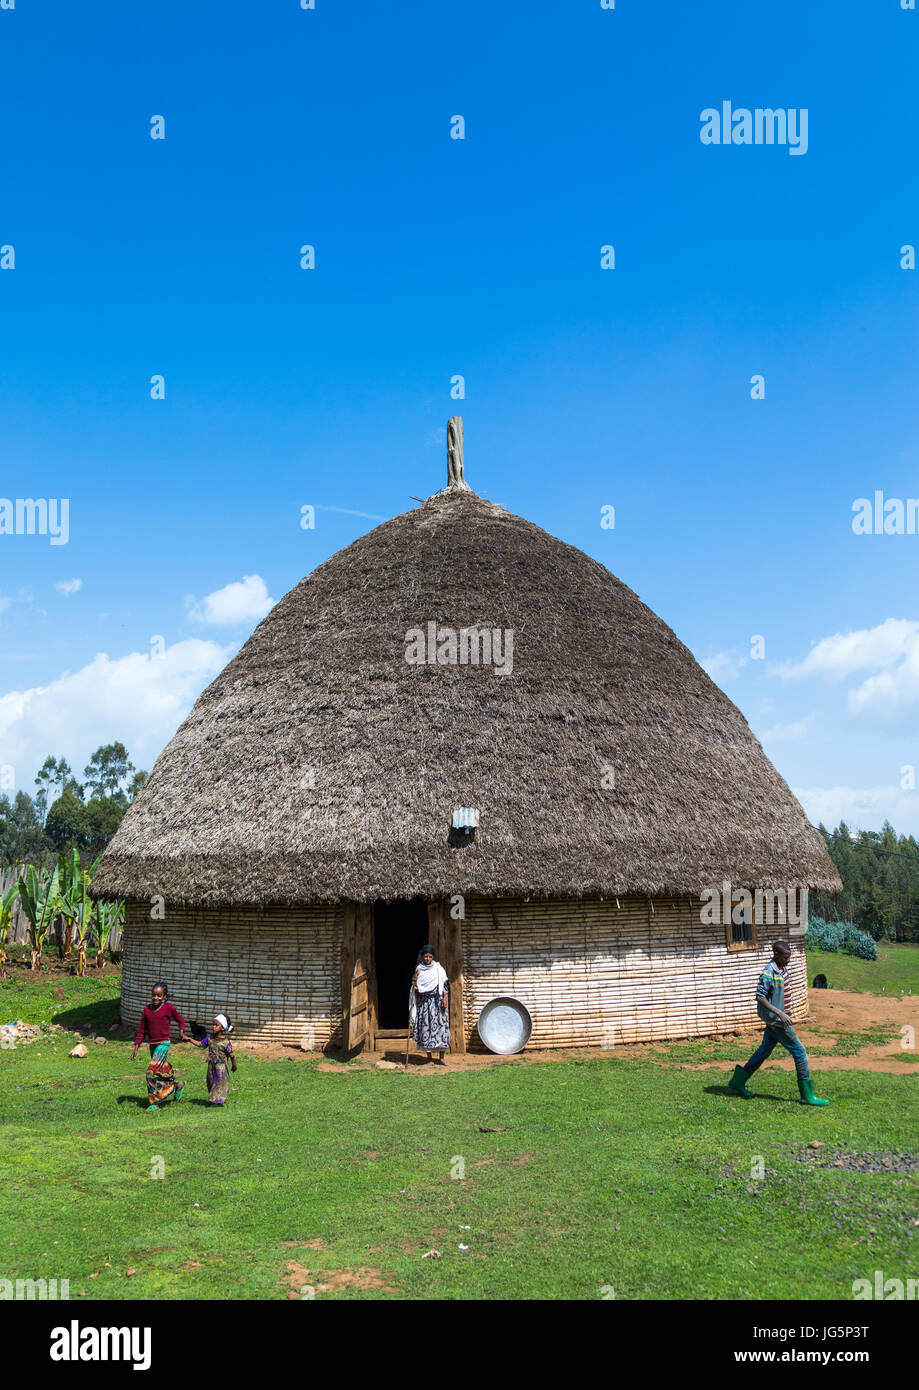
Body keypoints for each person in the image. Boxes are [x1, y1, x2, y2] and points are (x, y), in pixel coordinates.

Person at [728, 939, 828, 1106]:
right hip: (777, 1021)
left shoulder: (782, 968)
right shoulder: (768, 972)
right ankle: (807, 1095)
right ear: (776, 955)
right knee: (800, 1052)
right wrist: (780, 1013)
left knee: (764, 1051)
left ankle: (738, 1082)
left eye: (789, 957)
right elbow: (760, 996)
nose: (788, 960)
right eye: (785, 957)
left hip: (779, 1019)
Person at [131, 981, 188, 1111]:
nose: (156, 998)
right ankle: (177, 1085)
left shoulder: (168, 1008)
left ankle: (154, 1103)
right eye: (154, 995)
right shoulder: (146, 1010)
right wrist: (136, 1047)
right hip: (153, 1044)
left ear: (164, 997)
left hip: (163, 1043)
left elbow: (180, 1020)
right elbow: (142, 1030)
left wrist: (181, 1031)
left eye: (159, 995)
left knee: (151, 1072)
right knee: (162, 1072)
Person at [410, 945, 450, 1064]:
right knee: (425, 1029)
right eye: (426, 957)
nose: (428, 959)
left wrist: (445, 998)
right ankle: (429, 1058)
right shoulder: (419, 970)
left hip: (437, 1003)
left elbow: (445, 984)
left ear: (433, 957)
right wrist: (414, 983)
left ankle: (441, 1058)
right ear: (422, 957)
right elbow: (416, 989)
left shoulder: (438, 968)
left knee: (441, 1028)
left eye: (430, 957)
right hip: (424, 1004)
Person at [193, 1013, 236, 1105]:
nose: (213, 1027)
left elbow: (232, 1055)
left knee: (219, 1082)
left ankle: (217, 1102)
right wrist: (189, 1039)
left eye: (216, 1025)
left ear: (222, 1028)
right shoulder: (210, 1039)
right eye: (213, 1024)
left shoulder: (225, 1042)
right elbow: (200, 1044)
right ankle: (215, 1098)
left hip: (221, 1067)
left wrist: (234, 1066)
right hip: (211, 1065)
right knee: (211, 1081)